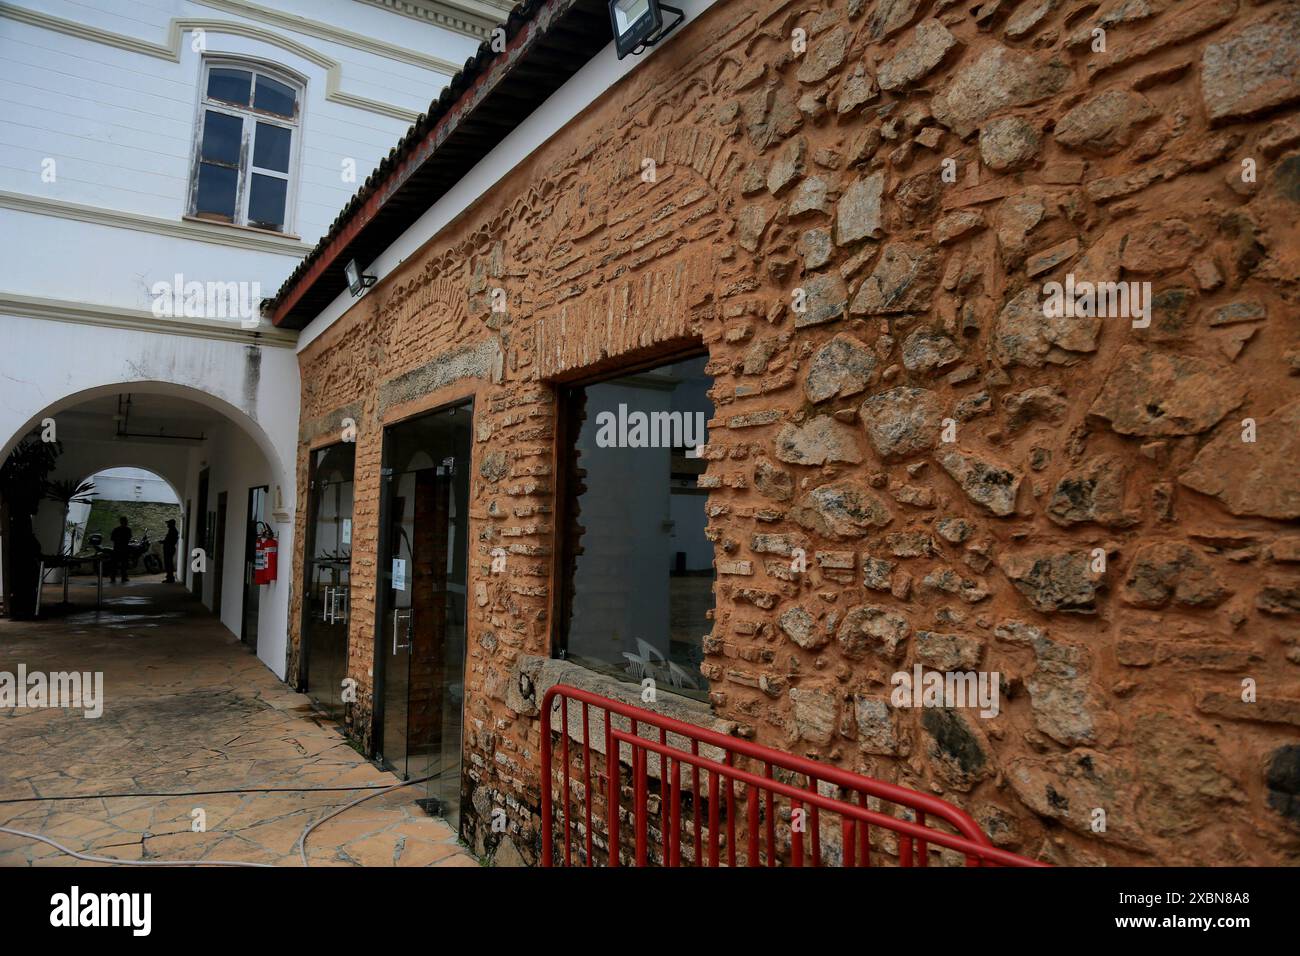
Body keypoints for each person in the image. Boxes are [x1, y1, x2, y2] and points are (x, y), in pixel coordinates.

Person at [109, 516, 132, 584]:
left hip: (117, 548)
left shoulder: (116, 529)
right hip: (124, 549)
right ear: (126, 522)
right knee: (124, 564)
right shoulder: (128, 530)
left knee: (115, 564)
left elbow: (112, 538)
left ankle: (113, 578)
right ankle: (124, 577)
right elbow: (129, 538)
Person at [163, 519, 179, 583]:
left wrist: (163, 542)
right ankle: (169, 577)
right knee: (169, 563)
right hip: (170, 548)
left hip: (169, 548)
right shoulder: (173, 530)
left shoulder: (172, 531)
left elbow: (169, 540)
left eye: (168, 523)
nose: (167, 525)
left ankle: (170, 578)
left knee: (169, 563)